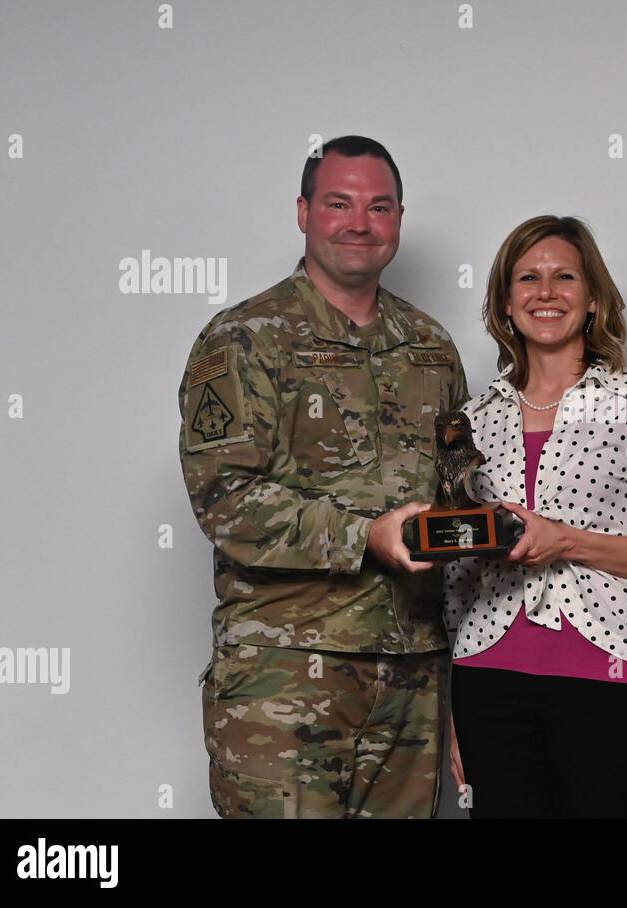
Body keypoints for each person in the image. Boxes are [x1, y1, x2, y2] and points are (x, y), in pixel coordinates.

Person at [178, 135, 467, 818]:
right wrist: (364, 535)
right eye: (339, 203)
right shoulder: (244, 338)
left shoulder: (432, 347)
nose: (360, 223)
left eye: (380, 206)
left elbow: (455, 492)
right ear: (303, 211)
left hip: (411, 675)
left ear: (400, 218)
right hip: (283, 677)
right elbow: (225, 500)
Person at [444, 215, 627, 818]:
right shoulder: (472, 418)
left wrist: (565, 541)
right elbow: (457, 574)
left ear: (592, 299)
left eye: (565, 276)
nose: (545, 292)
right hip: (488, 677)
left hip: (607, 676)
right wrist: (454, 709)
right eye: (527, 278)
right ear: (505, 303)